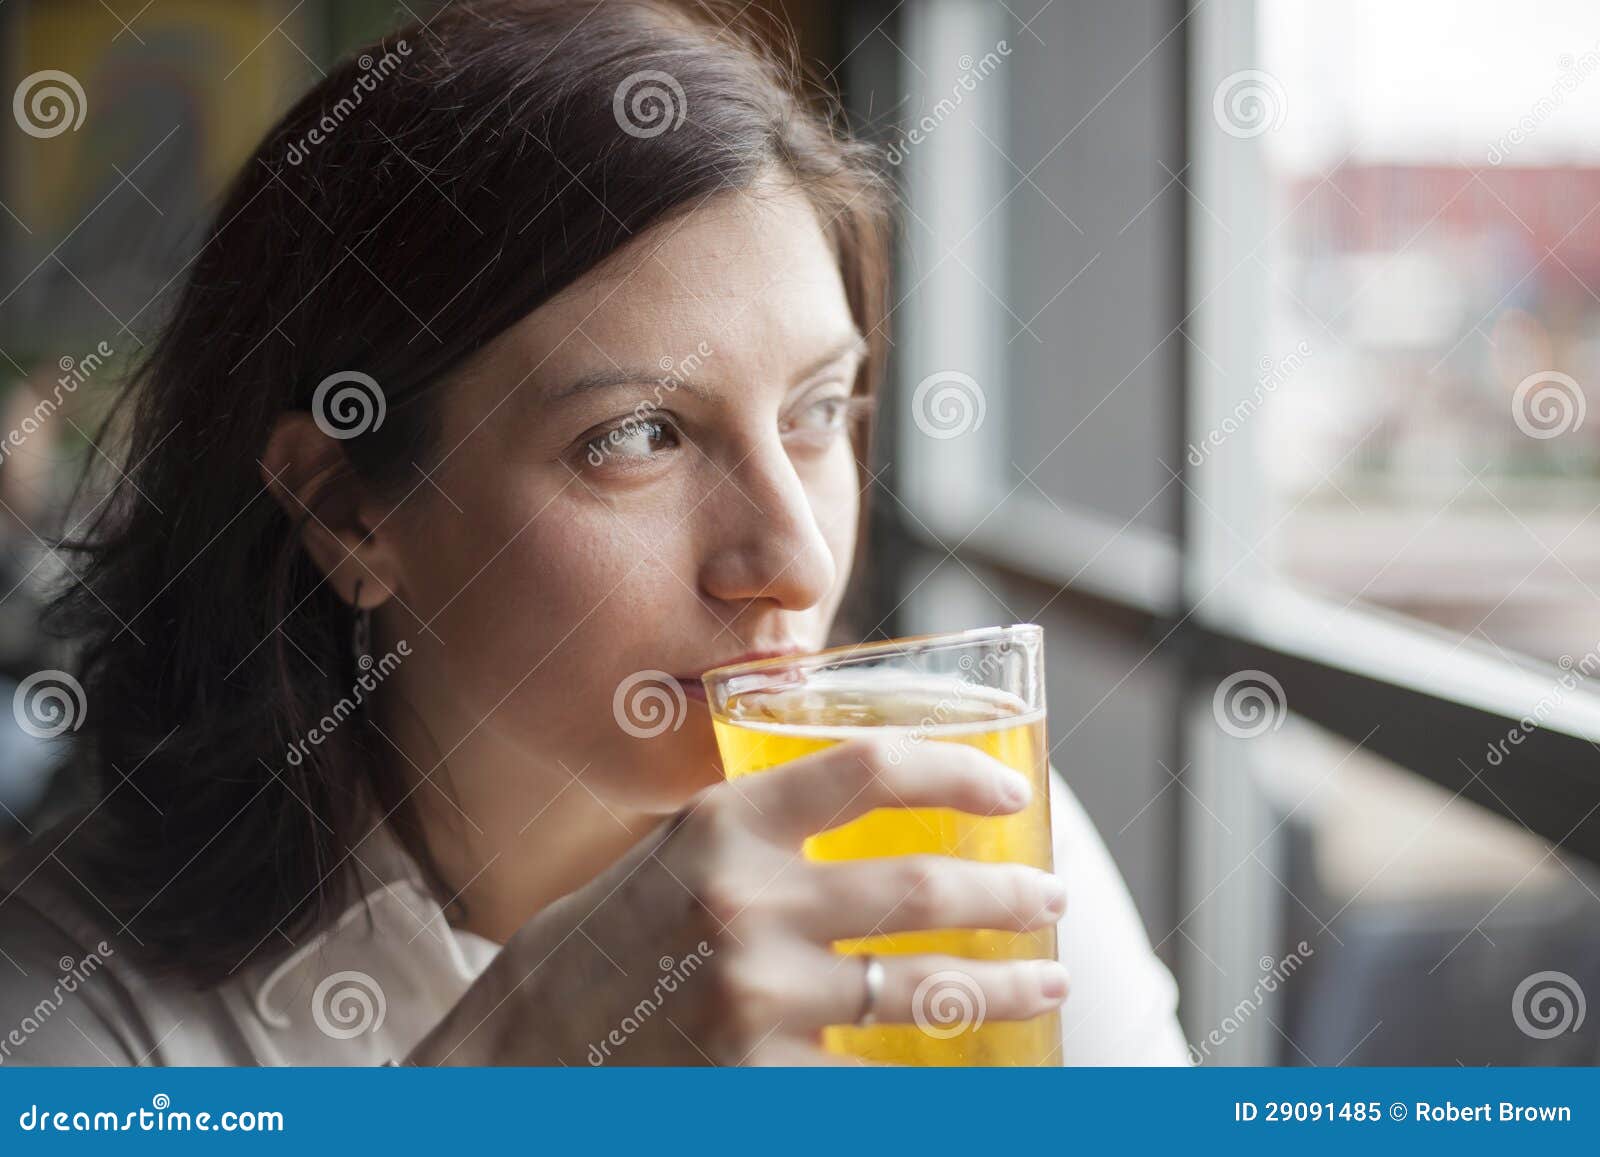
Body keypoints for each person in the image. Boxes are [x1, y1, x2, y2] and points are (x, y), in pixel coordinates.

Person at [0, 0, 1186, 1066]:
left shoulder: (949, 828)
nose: (796, 560)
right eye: (636, 436)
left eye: (818, 410)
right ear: (345, 509)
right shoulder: (73, 1016)